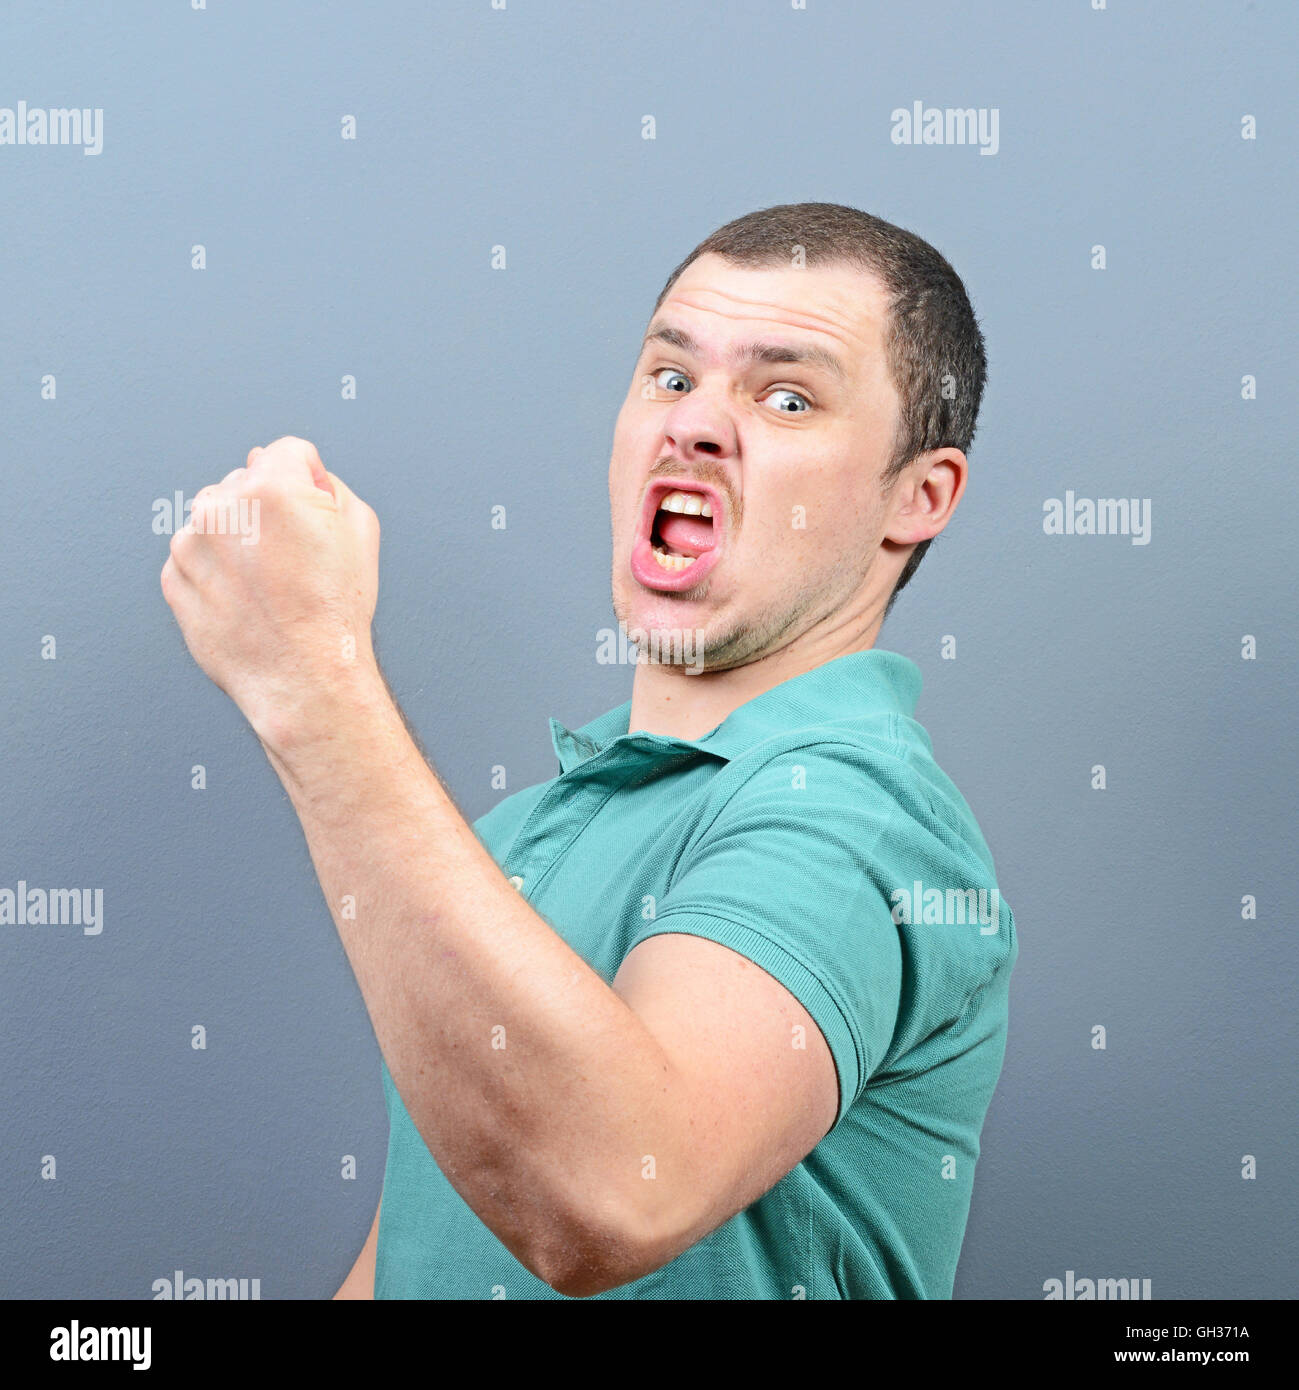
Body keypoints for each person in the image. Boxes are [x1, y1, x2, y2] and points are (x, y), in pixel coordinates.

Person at [161, 201, 1017, 1300]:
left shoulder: (861, 812)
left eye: (787, 396)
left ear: (919, 496)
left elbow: (613, 1193)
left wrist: (313, 683)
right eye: (671, 377)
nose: (698, 424)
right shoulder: (511, 839)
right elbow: (424, 1253)